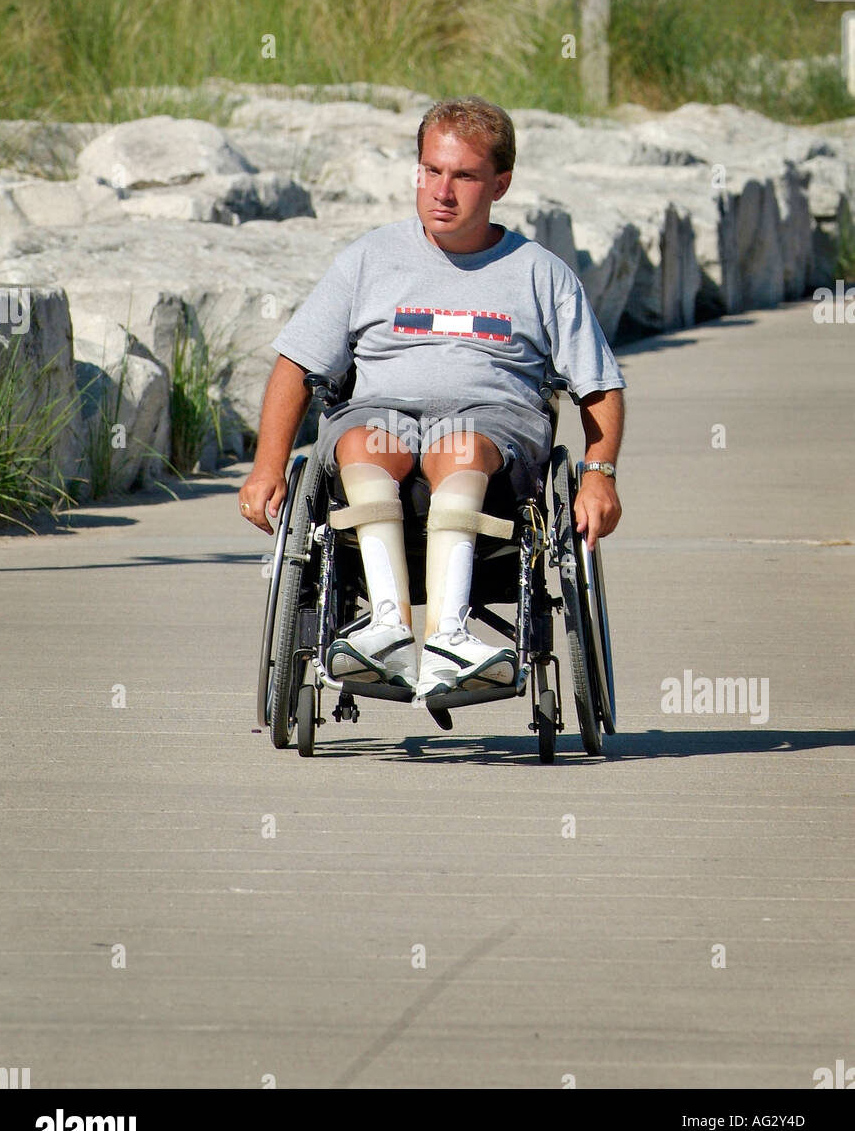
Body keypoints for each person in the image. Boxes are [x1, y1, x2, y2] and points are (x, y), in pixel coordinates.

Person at [239, 96, 625, 704]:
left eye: (464, 176)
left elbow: (599, 385)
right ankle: (388, 632)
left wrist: (599, 475)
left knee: (460, 445)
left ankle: (448, 639)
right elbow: (296, 364)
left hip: (494, 430)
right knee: (365, 440)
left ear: (500, 183)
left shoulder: (539, 273)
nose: (442, 191)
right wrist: (267, 467)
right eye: (430, 170)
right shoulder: (369, 258)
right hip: (380, 417)